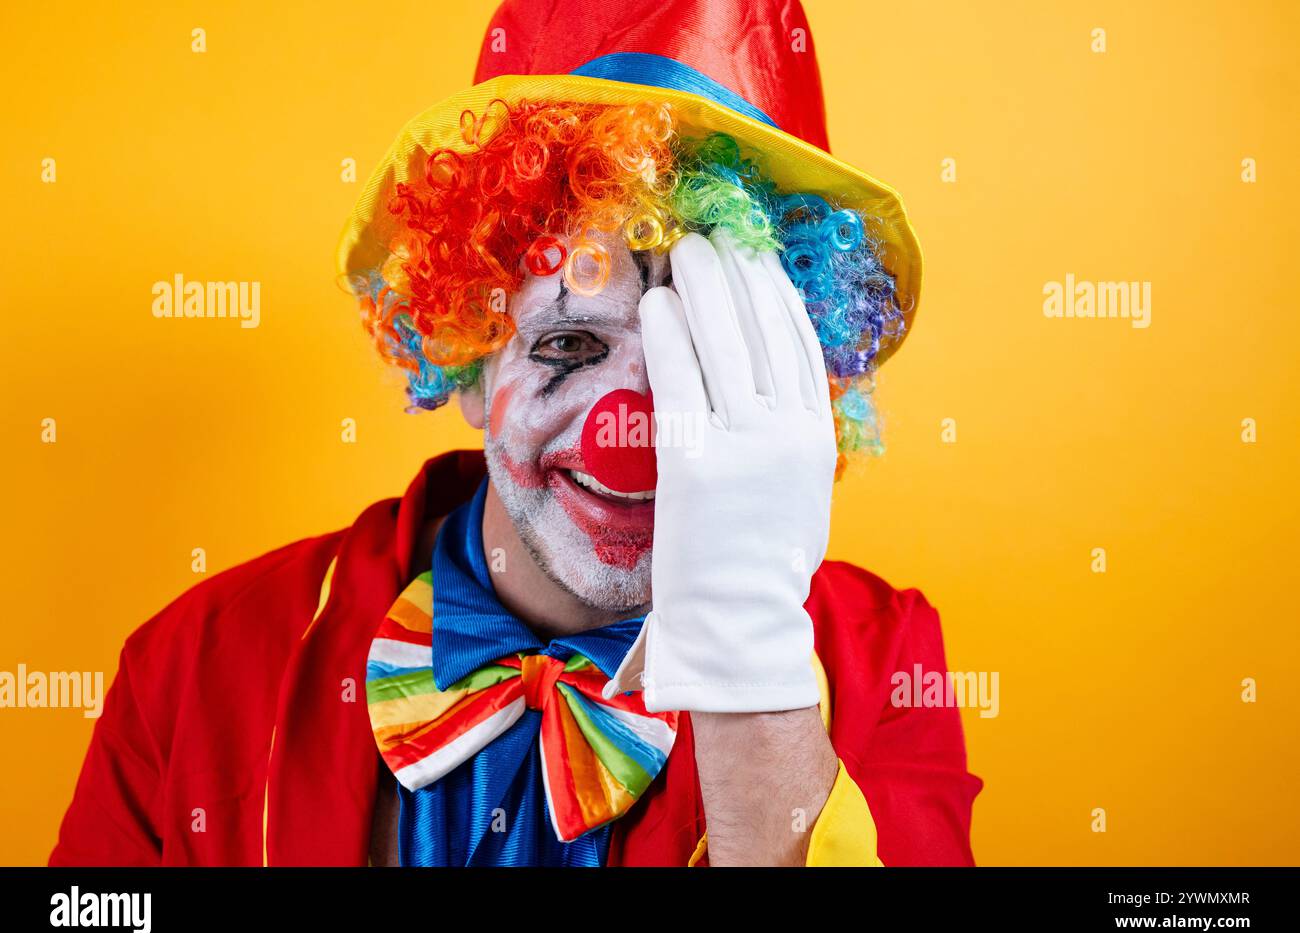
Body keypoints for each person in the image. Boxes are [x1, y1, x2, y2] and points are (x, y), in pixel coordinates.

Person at [50, 0, 981, 867]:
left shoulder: (882, 666)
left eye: (702, 350)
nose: (634, 429)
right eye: (569, 341)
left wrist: (751, 669)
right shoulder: (191, 667)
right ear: (466, 355)